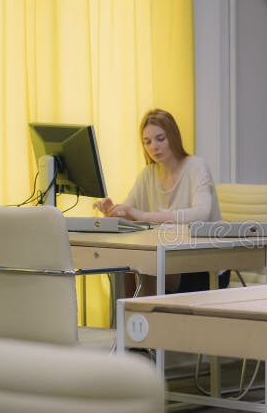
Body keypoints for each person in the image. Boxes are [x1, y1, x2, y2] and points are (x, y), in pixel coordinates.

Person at [96, 108, 229, 293]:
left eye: (160, 139)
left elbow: (201, 213)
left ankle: (144, 319)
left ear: (173, 137)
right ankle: (132, 319)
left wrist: (143, 215)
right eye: (147, 142)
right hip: (167, 260)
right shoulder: (148, 174)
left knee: (148, 264)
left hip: (204, 265)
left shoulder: (196, 167)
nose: (153, 147)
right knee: (131, 262)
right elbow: (129, 211)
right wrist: (113, 212)